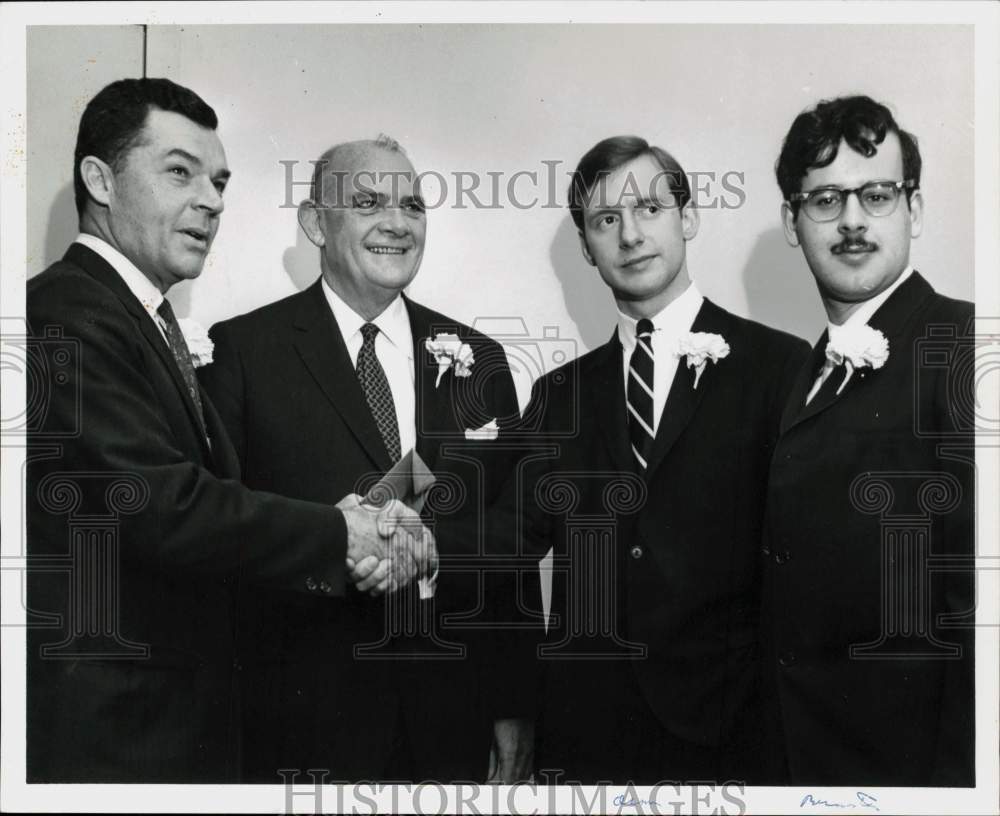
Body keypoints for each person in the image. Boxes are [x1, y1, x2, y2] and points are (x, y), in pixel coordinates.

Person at [25, 78, 432, 783]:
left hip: (172, 723)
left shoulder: (142, 317)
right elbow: (159, 504)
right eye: (179, 172)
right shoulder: (69, 309)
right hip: (120, 733)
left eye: (218, 181)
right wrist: (341, 534)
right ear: (100, 180)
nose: (211, 200)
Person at [198, 135, 536, 782]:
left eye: (412, 206)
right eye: (367, 202)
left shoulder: (479, 360)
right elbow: (222, 532)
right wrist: (335, 548)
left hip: (451, 720)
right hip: (299, 722)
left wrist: (515, 706)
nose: (397, 223)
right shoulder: (243, 351)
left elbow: (516, 535)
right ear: (314, 223)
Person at [522, 136, 809, 784]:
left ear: (688, 218)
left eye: (649, 208)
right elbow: (507, 538)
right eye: (605, 220)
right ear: (588, 247)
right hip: (588, 743)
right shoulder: (556, 396)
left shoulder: (781, 368)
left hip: (734, 738)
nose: (630, 235)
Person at [762, 95, 976, 786]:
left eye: (876, 194)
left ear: (912, 210)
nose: (852, 221)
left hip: (915, 774)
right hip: (805, 763)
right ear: (792, 222)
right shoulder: (804, 370)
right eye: (825, 200)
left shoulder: (964, 346)